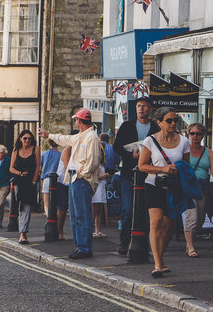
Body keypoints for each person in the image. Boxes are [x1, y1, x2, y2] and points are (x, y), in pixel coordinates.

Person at [39, 108, 102, 260]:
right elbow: (65, 139)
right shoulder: (81, 136)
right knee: (74, 215)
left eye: (76, 120)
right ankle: (80, 246)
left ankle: (85, 248)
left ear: (79, 121)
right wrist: (49, 135)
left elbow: (93, 162)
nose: (75, 122)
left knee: (82, 215)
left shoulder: (92, 137)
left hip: (81, 179)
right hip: (75, 177)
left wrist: (81, 174)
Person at [138, 107, 190, 277]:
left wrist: (180, 171)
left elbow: (187, 167)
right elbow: (142, 166)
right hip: (154, 184)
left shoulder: (184, 142)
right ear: (159, 122)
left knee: (169, 226)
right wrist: (163, 169)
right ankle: (157, 264)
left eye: (175, 120)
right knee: (156, 222)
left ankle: (160, 257)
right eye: (169, 120)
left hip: (174, 187)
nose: (173, 123)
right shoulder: (150, 141)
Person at [113, 96, 159, 255]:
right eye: (139, 106)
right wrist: (130, 155)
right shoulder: (127, 126)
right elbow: (117, 147)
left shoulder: (156, 128)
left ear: (150, 109)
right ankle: (124, 242)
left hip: (149, 174)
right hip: (129, 174)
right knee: (128, 210)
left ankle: (145, 243)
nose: (141, 109)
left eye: (144, 106)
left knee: (147, 211)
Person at [185, 123, 212, 258]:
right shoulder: (185, 151)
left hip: (202, 188)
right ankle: (190, 246)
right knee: (193, 217)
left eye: (198, 134)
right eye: (192, 133)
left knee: (200, 219)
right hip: (188, 187)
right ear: (188, 134)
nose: (195, 136)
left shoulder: (208, 152)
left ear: (203, 135)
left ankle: (189, 243)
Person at [10, 130, 40, 245]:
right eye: (25, 138)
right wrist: (19, 173)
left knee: (27, 207)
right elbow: (11, 168)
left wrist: (34, 181)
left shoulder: (35, 149)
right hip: (20, 182)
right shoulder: (16, 150)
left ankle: (23, 233)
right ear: (20, 139)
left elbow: (37, 167)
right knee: (21, 207)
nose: (27, 140)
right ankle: (22, 232)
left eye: (29, 138)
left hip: (31, 182)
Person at [40, 139, 62, 215]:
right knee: (56, 202)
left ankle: (48, 217)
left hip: (46, 179)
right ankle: (55, 217)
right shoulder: (60, 154)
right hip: (57, 179)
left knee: (46, 203)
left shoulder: (44, 154)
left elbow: (39, 168)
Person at [55, 144, 72, 240]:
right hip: (62, 183)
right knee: (62, 208)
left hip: (69, 183)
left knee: (67, 208)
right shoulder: (67, 150)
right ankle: (59, 232)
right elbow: (67, 168)